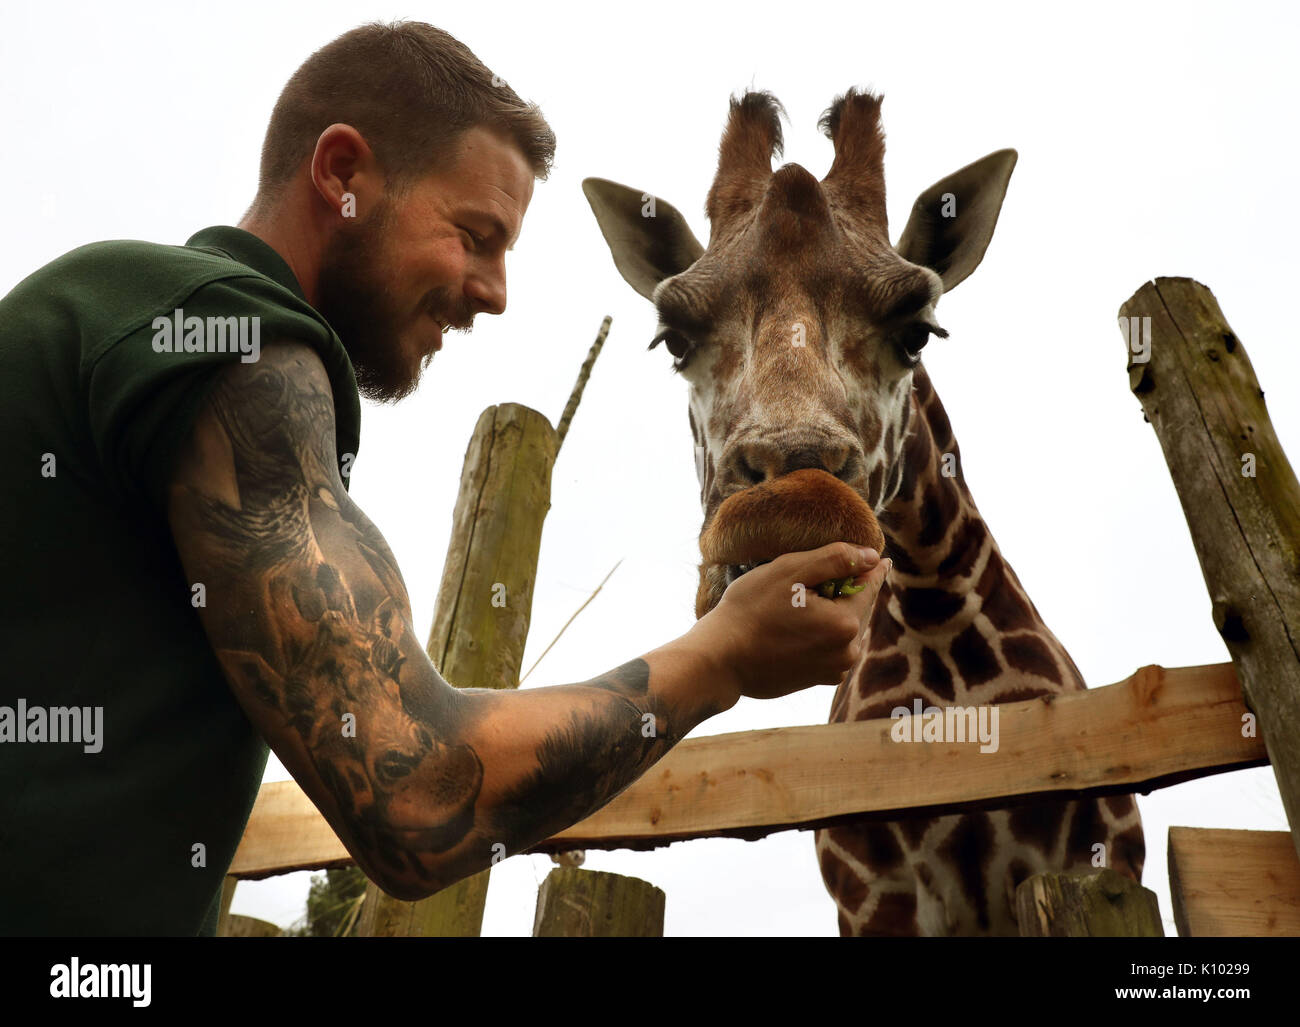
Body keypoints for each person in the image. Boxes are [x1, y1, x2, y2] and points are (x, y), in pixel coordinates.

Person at [0, 20, 890, 936]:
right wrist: (723, 657)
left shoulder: (123, 320)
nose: (496, 291)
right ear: (342, 177)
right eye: (474, 236)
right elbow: (417, 793)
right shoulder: (233, 340)